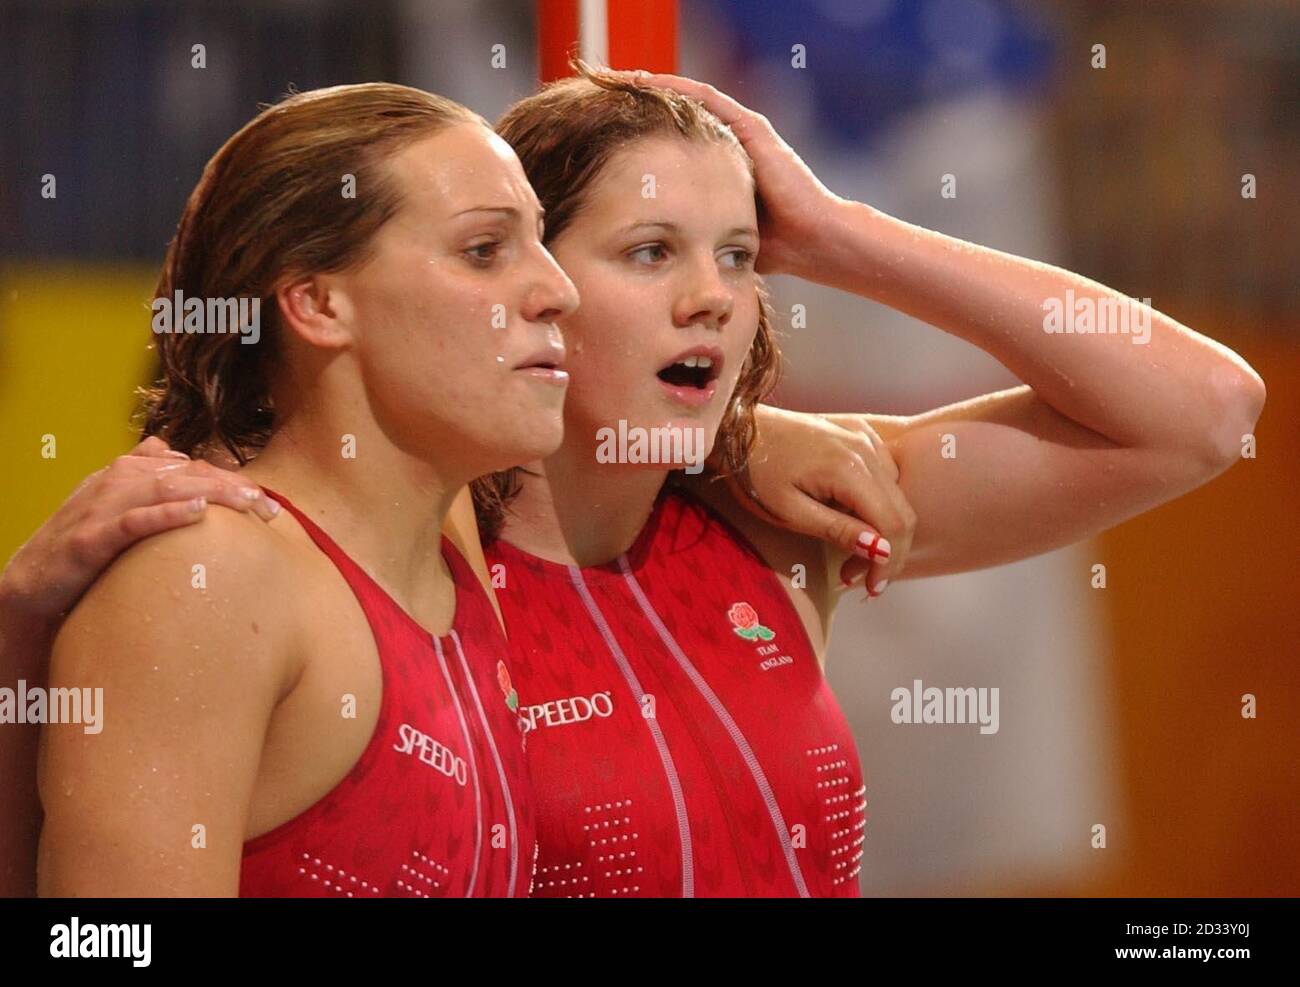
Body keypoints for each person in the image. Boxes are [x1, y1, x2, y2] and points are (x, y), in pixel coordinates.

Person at [470, 64, 1264, 897]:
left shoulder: (777, 527)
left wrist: (836, 236)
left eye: (739, 255)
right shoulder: (412, 553)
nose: (711, 296)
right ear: (531, 289)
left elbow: (1207, 412)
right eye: (650, 251)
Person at [29, 82, 583, 896]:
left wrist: (762, 441)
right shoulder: (208, 578)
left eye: (539, 241)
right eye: (483, 249)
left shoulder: (447, 536)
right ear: (318, 302)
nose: (557, 289)